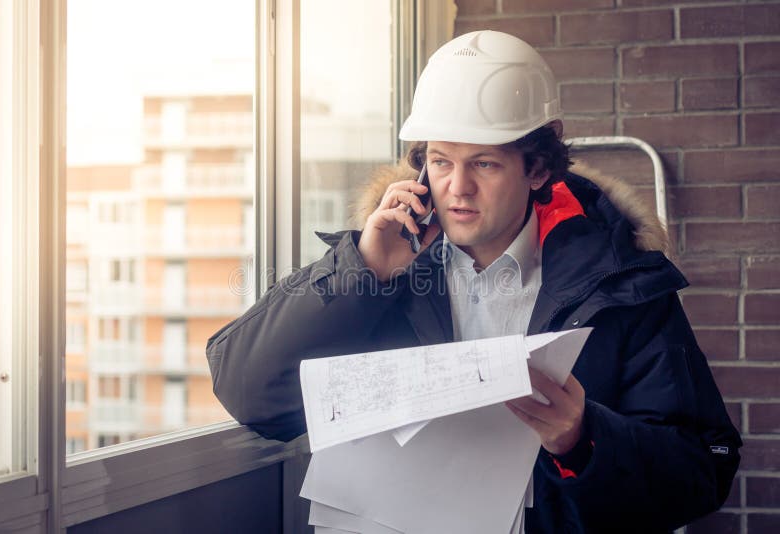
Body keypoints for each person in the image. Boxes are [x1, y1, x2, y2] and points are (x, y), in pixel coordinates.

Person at [206, 30, 741, 532]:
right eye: (440, 162)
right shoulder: (374, 273)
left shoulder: (621, 282)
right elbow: (249, 392)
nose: (457, 189)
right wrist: (364, 267)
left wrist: (584, 441)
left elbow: (704, 469)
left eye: (483, 164)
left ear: (536, 170)